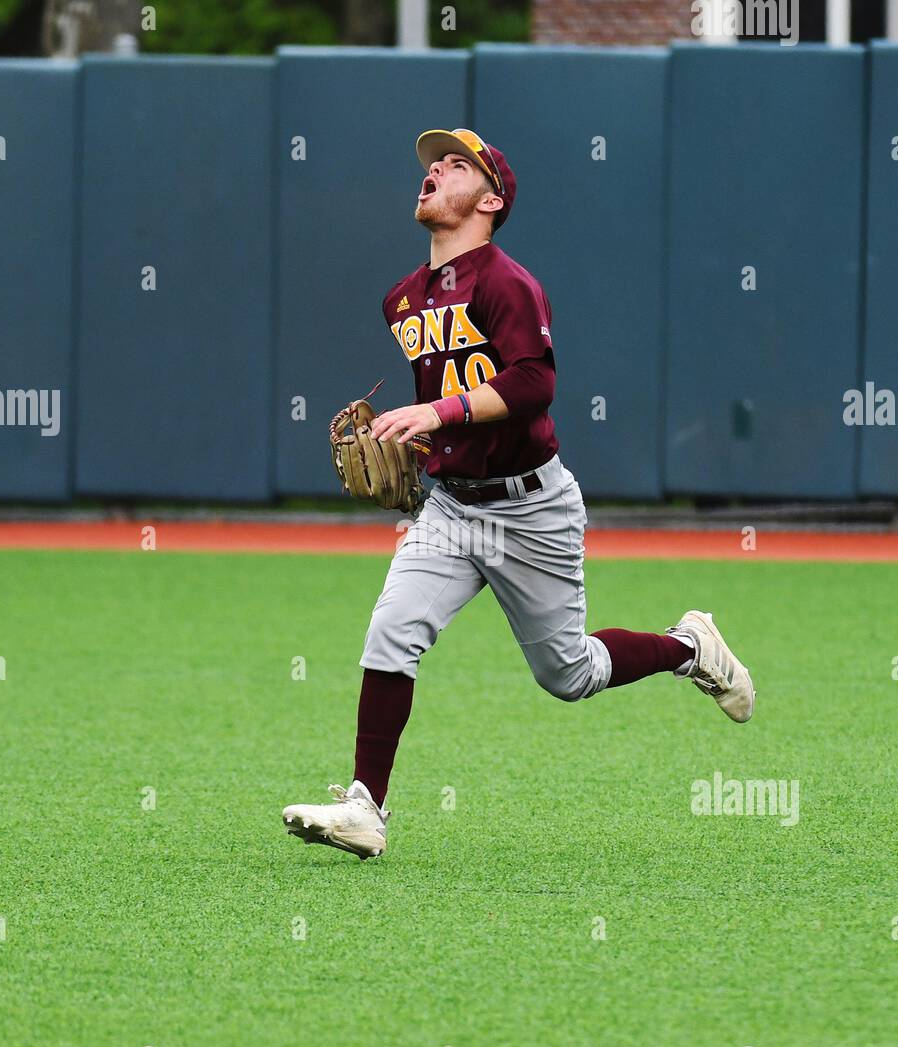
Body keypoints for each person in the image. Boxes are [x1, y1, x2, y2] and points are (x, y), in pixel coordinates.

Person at [283, 129, 753, 860]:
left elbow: (535, 385)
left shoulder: (507, 284)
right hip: (452, 507)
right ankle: (365, 806)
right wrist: (419, 439)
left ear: (491, 199)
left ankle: (689, 646)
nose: (434, 168)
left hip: (532, 508)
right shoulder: (402, 299)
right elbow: (446, 402)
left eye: (456, 163)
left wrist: (438, 413)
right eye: (432, 162)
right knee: (391, 630)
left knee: (568, 673)